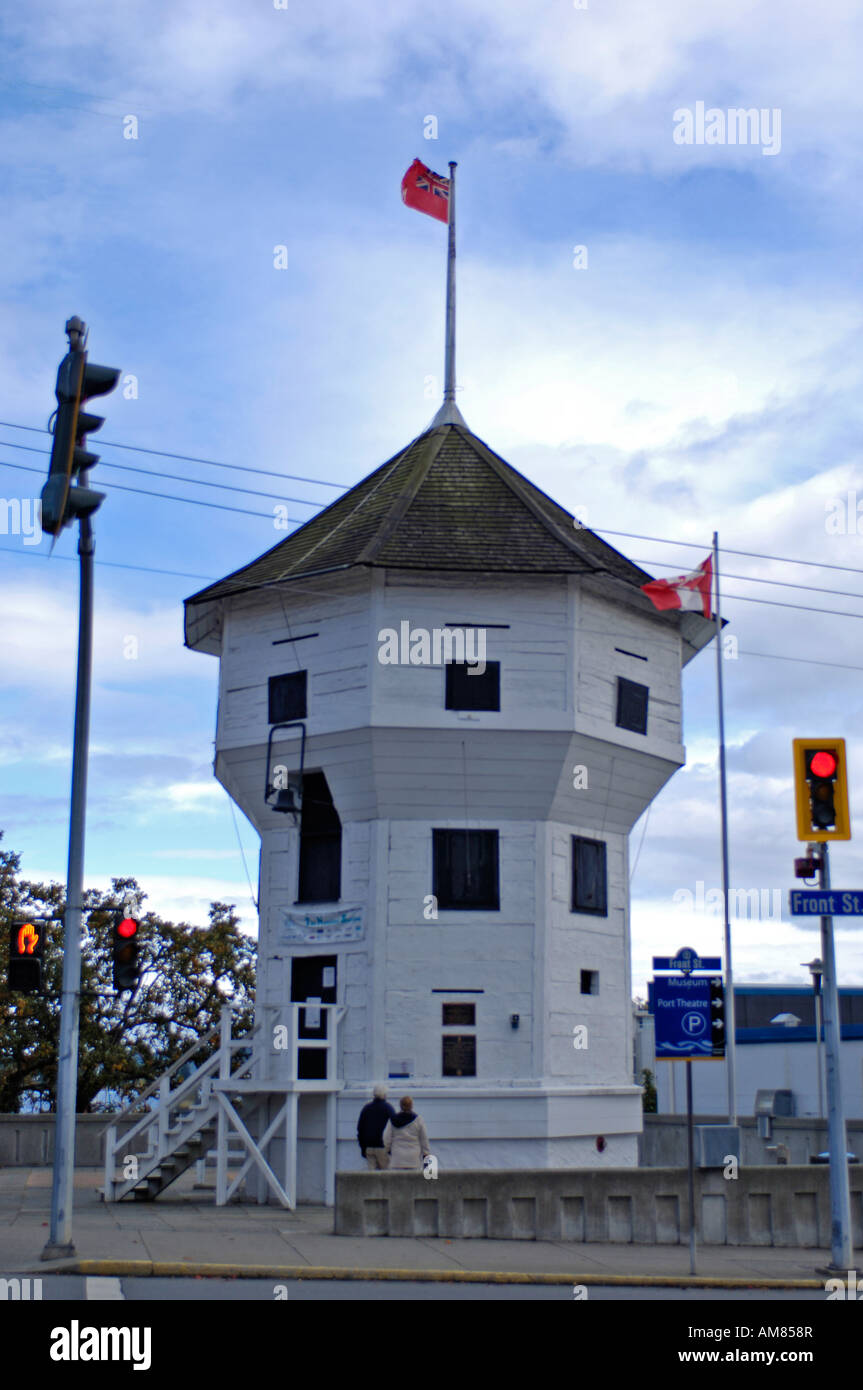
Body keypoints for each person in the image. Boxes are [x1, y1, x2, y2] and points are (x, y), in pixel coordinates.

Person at [383, 1095, 431, 1171]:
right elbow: (424, 1139)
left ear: (400, 1105)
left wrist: (387, 1151)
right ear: (411, 1106)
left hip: (397, 1158)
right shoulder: (418, 1120)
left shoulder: (392, 1120)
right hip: (413, 1159)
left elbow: (387, 1140)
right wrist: (426, 1154)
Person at [357, 1085, 396, 1170]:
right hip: (382, 1147)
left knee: (371, 1178)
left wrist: (363, 1147)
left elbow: (360, 1129)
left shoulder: (366, 1108)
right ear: (385, 1095)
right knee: (386, 1178)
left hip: (369, 1147)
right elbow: (395, 1126)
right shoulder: (388, 1108)